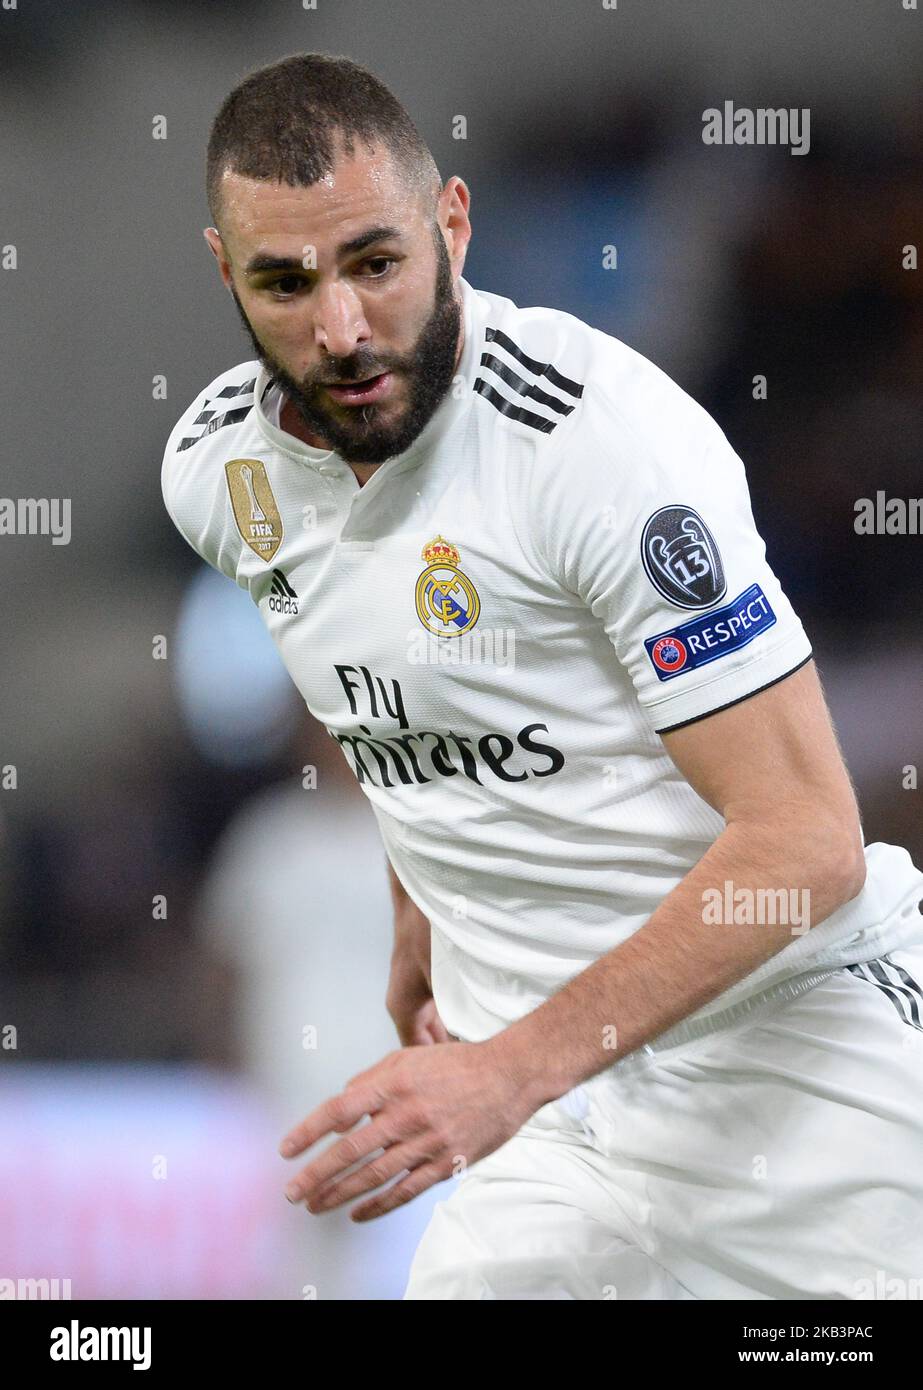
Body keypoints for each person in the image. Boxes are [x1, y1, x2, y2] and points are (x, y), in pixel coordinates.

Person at [161, 52, 923, 1299]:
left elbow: (803, 838)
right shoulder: (214, 476)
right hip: (564, 1135)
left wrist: (509, 1065)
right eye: (284, 283)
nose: (340, 329)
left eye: (375, 262)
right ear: (225, 273)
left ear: (453, 223)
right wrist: (421, 906)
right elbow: (388, 678)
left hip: (803, 1081)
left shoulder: (596, 444)